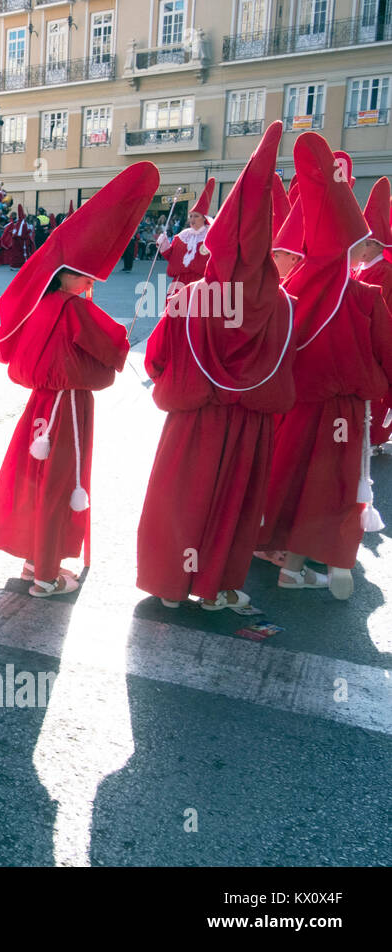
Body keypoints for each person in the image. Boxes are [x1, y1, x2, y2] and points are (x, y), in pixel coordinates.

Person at [136, 121, 297, 612]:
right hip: (248, 424)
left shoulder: (191, 297)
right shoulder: (284, 306)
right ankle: (218, 585)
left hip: (195, 419)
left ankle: (170, 582)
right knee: (233, 503)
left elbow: (156, 357)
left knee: (184, 497)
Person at [0, 161, 159, 596]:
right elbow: (113, 346)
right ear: (70, 276)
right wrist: (123, 340)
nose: (92, 280)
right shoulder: (74, 307)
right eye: (87, 274)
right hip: (69, 406)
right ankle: (46, 573)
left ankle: (32, 560)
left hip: (41, 405)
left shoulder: (43, 304)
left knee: (34, 480)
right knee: (61, 484)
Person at [258, 132, 392, 600]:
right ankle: (309, 558)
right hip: (345, 409)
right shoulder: (366, 296)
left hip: (296, 403)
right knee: (329, 488)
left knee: (287, 475)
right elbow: (389, 351)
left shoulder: (293, 290)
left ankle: (273, 546)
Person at [353, 177, 392, 451]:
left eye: (367, 245)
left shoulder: (385, 273)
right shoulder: (358, 270)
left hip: (377, 336)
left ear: (379, 246)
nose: (362, 250)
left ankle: (376, 435)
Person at [157, 179, 215, 289]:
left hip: (201, 283)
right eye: (191, 216)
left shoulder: (210, 237)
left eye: (196, 216)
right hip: (180, 282)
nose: (192, 219)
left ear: (204, 219)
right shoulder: (183, 236)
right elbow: (172, 257)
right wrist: (163, 244)